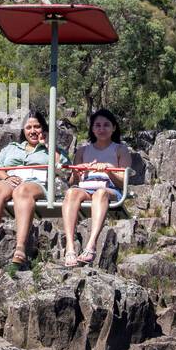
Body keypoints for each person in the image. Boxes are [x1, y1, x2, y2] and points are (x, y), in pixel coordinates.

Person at [0, 110, 70, 271]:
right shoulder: (12, 148)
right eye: (28, 127)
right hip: (12, 180)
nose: (33, 131)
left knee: (23, 191)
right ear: (23, 130)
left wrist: (48, 145)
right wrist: (5, 177)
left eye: (37, 127)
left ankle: (20, 247)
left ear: (44, 129)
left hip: (36, 184)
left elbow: (65, 169)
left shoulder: (52, 150)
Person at [61, 108, 131, 267]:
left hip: (109, 188)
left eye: (106, 125)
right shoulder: (82, 151)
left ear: (113, 128)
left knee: (100, 193)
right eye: (97, 125)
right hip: (85, 187)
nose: (101, 129)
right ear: (92, 128)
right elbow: (73, 181)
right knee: (71, 193)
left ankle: (91, 244)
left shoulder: (120, 150)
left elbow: (123, 182)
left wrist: (108, 170)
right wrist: (78, 172)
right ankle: (70, 247)